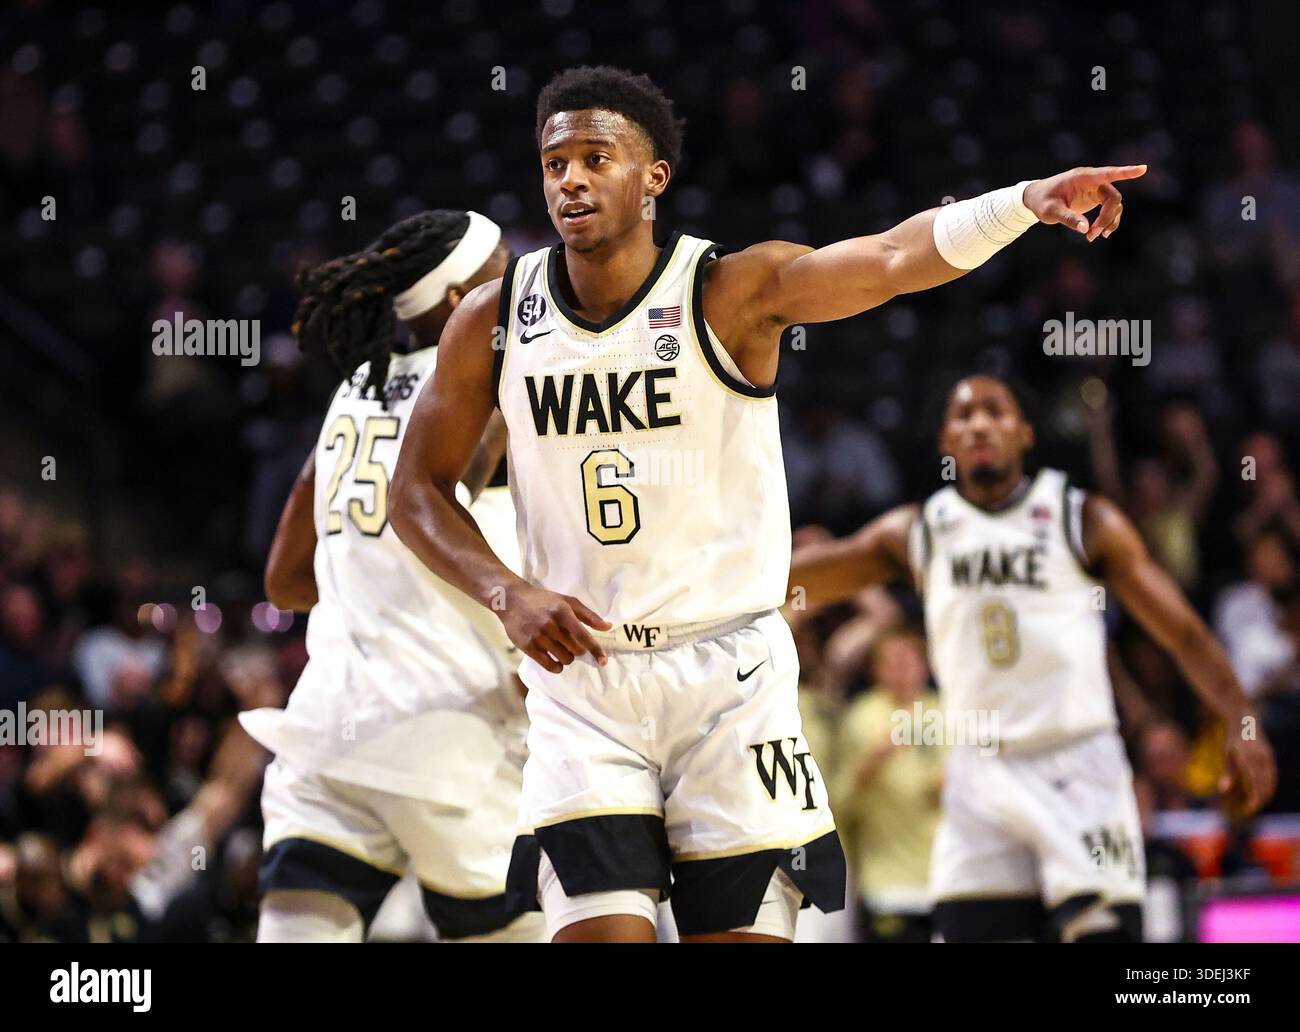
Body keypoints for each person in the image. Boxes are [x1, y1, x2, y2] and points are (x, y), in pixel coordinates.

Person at [390, 64, 1146, 943]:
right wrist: (505, 590)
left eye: (597, 158)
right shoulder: (493, 317)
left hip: (728, 677)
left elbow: (895, 259)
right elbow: (415, 491)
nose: (571, 180)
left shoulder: (730, 292)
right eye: (555, 163)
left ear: (653, 178)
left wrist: (1022, 201)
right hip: (584, 685)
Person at [789, 375, 1277, 942]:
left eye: (994, 412)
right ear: (947, 440)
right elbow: (801, 577)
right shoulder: (920, 532)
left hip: (1076, 760)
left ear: (1023, 433)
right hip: (979, 772)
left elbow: (1183, 633)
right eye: (963, 415)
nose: (978, 424)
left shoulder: (1081, 518)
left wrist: (1243, 723)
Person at [241, 209, 542, 943]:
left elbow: (283, 582)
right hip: (450, 738)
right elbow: (440, 506)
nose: (518, 282)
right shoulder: (497, 394)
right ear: (453, 301)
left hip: (327, 736)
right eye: (499, 270)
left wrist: (371, 573)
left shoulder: (352, 394)